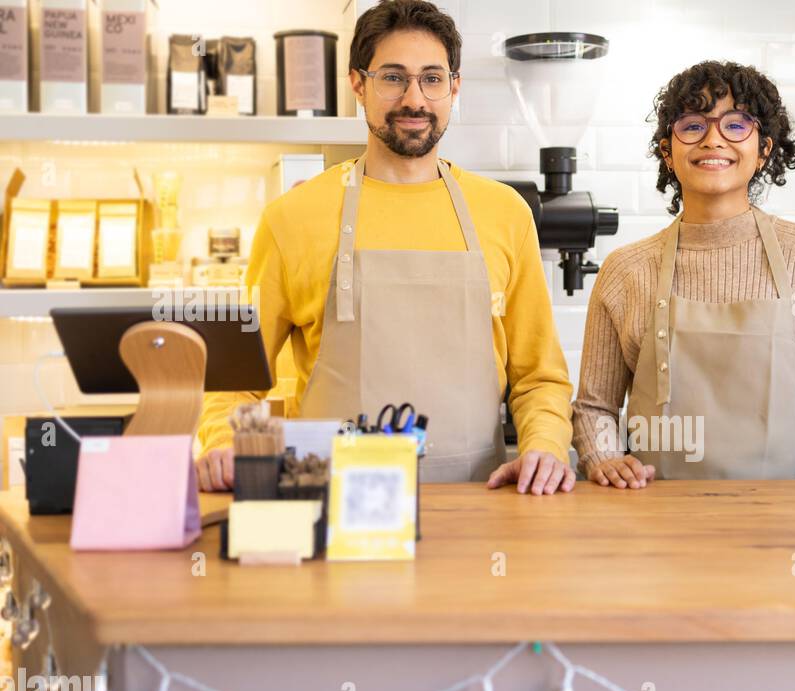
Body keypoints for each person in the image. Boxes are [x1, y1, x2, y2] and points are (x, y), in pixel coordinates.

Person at [196, 0, 575, 495]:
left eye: (432, 79)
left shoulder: (504, 214)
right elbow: (233, 381)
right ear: (359, 84)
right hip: (331, 506)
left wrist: (544, 446)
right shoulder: (292, 218)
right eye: (393, 77)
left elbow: (539, 377)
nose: (414, 99)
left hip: (478, 506)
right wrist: (222, 443)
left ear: (454, 86)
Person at [572, 61, 795, 488]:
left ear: (764, 149)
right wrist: (601, 456)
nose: (713, 139)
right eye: (693, 125)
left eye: (736, 125)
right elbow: (594, 407)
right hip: (652, 526)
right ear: (667, 152)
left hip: (783, 524)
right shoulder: (625, 271)